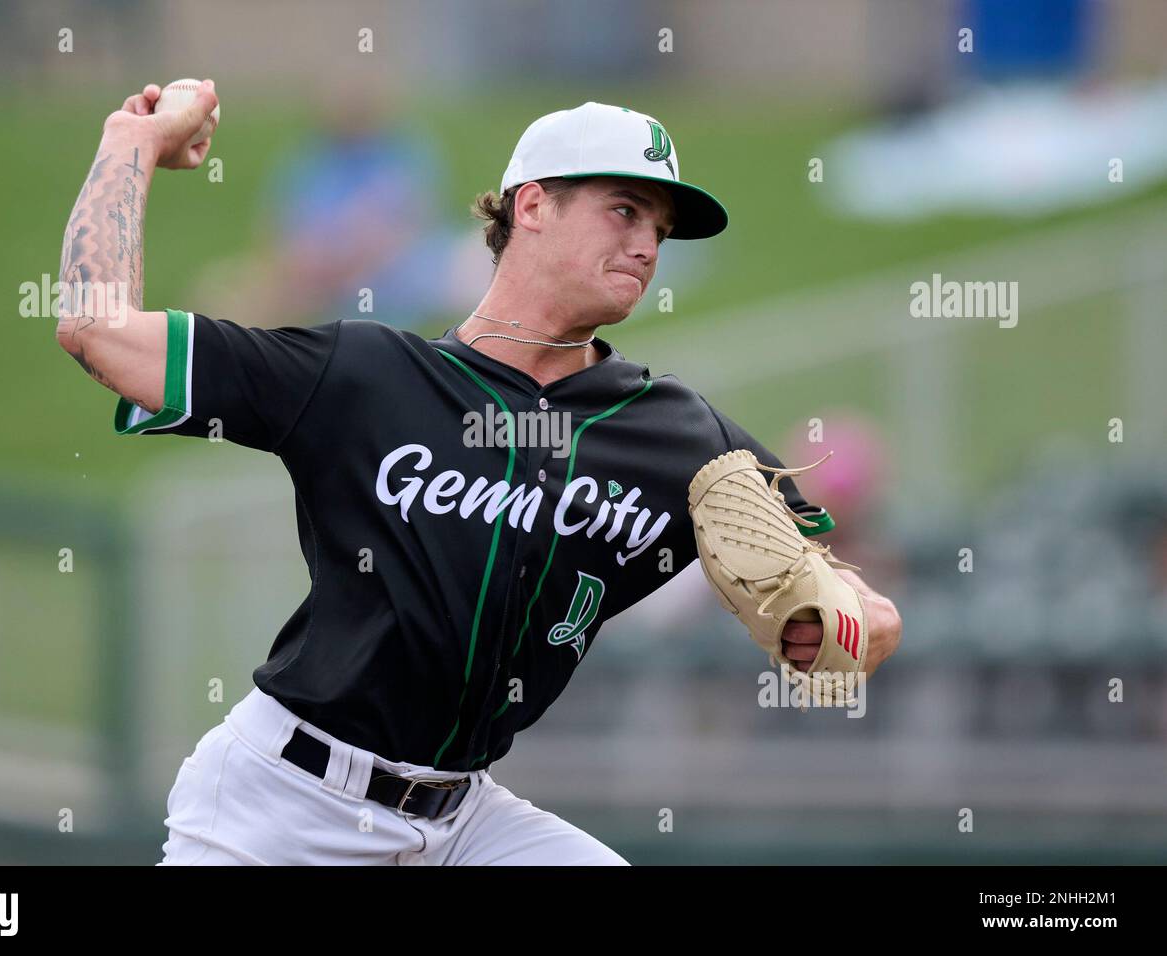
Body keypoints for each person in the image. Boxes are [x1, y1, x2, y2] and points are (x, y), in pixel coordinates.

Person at [55, 85, 903, 865]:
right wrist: (129, 145)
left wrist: (832, 630)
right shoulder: (363, 376)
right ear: (531, 205)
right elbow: (99, 333)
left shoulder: (680, 437)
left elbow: (865, 616)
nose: (647, 244)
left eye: (659, 226)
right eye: (624, 209)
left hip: (464, 825)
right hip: (280, 810)